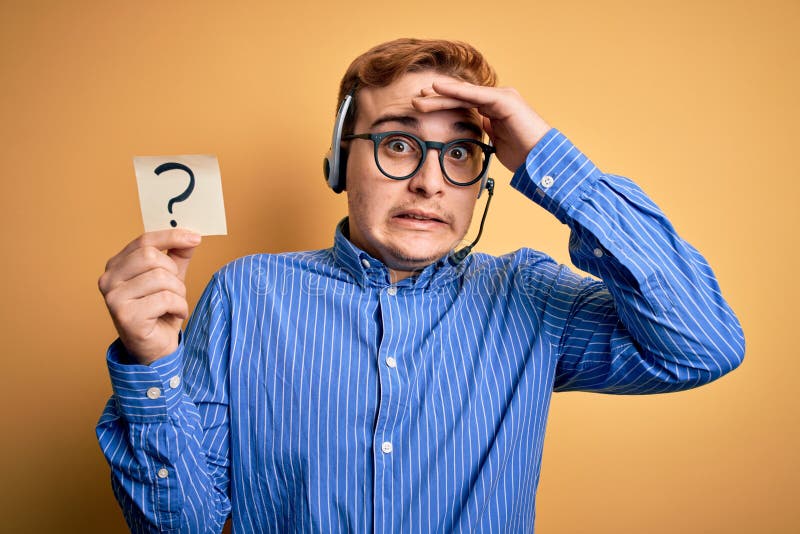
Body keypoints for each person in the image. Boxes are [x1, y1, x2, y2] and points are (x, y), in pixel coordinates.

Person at [96, 38, 744, 533]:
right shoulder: (245, 295)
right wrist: (152, 364)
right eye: (399, 144)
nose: (432, 183)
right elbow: (183, 523)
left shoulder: (530, 297)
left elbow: (703, 346)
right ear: (337, 159)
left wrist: (548, 159)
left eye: (459, 153)